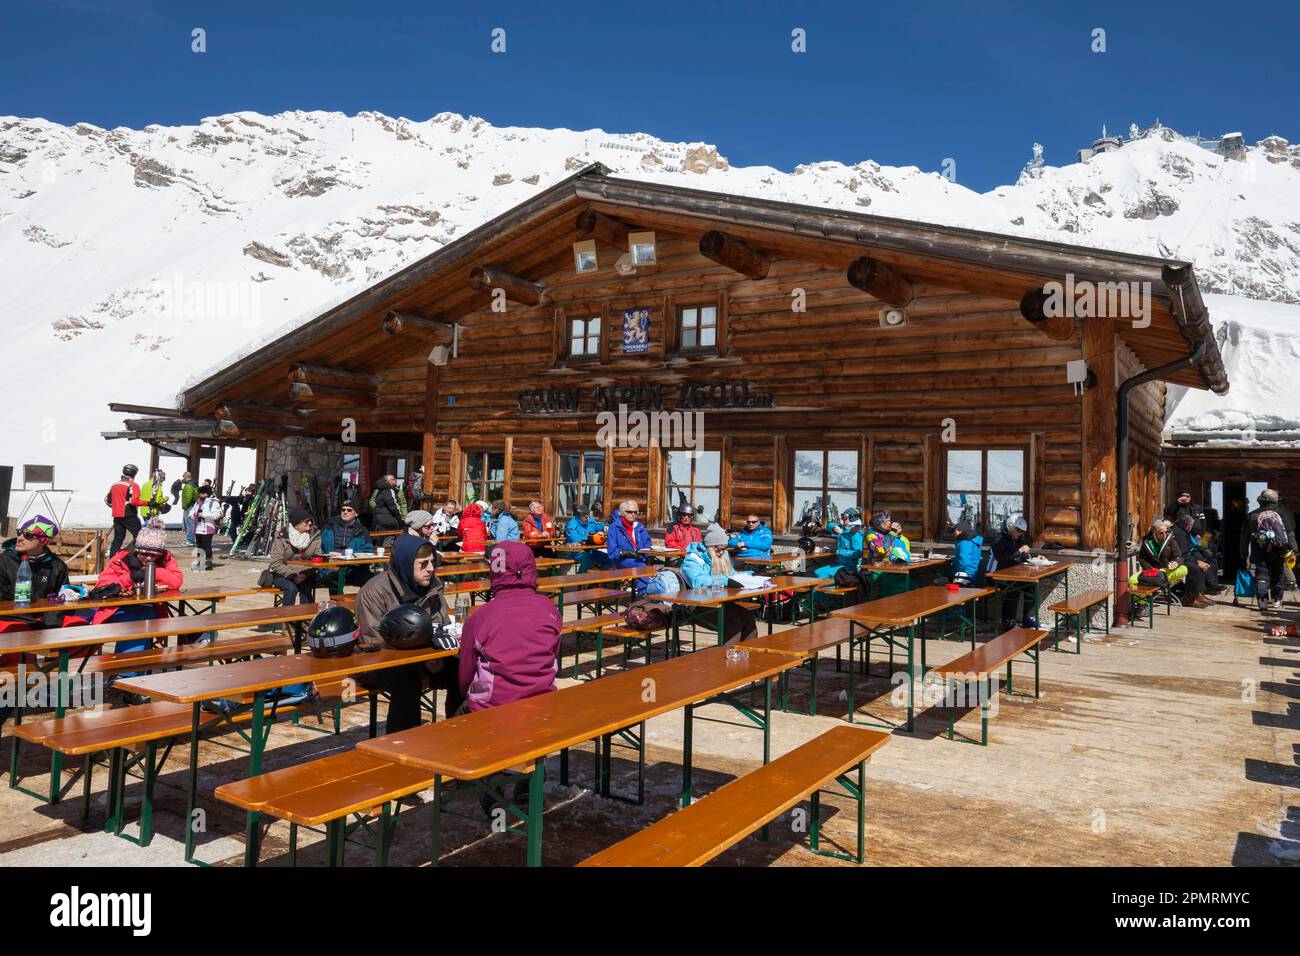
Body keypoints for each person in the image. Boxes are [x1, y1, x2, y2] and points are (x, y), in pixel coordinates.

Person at [355, 534, 462, 731]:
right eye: (423, 563)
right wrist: (422, 658)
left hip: (425, 658)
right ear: (405, 563)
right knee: (406, 678)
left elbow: (441, 624)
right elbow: (372, 642)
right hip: (378, 663)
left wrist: (436, 656)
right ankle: (402, 744)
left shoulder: (432, 587)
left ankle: (458, 733)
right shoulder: (374, 591)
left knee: (463, 669)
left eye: (433, 562)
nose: (430, 568)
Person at [458, 541, 562, 714]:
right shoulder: (550, 609)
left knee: (456, 711)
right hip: (543, 701)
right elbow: (553, 651)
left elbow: (465, 675)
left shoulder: (481, 617)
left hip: (493, 708)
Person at [680, 524, 758, 644]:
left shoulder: (720, 554)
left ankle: (750, 654)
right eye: (719, 549)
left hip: (716, 600)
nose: (722, 553)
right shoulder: (693, 559)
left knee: (747, 616)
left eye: (724, 549)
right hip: (696, 605)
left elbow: (731, 574)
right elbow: (698, 581)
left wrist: (750, 576)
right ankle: (726, 658)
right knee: (732, 620)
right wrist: (725, 581)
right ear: (710, 546)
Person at [0, 516, 70, 630]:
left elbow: (61, 601)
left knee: (78, 626)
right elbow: (2, 604)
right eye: (19, 533)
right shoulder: (4, 562)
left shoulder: (57, 566)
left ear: (44, 540)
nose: (20, 538)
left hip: (45, 621)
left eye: (28, 535)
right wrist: (33, 624)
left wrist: (48, 627)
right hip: (12, 620)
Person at [1240, 489, 1297, 611]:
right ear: (1275, 500)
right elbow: (1289, 533)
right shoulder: (1281, 514)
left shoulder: (1252, 515)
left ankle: (1262, 602)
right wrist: (1294, 549)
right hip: (1279, 549)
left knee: (1261, 575)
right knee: (1278, 574)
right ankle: (1276, 600)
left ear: (1260, 500)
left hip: (1259, 549)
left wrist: (1243, 553)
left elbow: (1245, 536)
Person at [1131, 518, 1199, 603]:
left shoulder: (1171, 541)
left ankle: (1161, 582)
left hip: (1167, 571)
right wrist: (1150, 569)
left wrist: (1176, 563)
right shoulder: (1147, 543)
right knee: (1132, 580)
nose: (1165, 535)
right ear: (1154, 533)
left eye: (1166, 532)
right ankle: (1142, 605)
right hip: (1152, 572)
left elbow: (1179, 556)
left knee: (1184, 568)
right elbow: (1142, 559)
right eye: (1161, 533)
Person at [266, 508, 322, 605]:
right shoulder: (282, 537)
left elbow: (317, 557)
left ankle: (306, 617)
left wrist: (306, 574)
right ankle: (288, 617)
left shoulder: (315, 535)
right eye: (306, 521)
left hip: (306, 573)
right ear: (296, 524)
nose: (309, 523)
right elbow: (275, 563)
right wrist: (294, 576)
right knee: (291, 588)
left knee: (306, 586)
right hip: (283, 573)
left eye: (310, 521)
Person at [990, 514, 1033, 628]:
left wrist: (1036, 558)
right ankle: (1008, 621)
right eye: (1018, 530)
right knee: (1013, 587)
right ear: (1010, 526)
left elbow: (1022, 556)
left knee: (1031, 585)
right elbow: (1003, 558)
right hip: (995, 575)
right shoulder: (998, 539)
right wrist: (1019, 551)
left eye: (1022, 532)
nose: (1020, 534)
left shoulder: (1017, 539)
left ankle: (1027, 618)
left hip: (1012, 574)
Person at [1170, 514, 1217, 605]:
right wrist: (1197, 562)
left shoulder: (1181, 531)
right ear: (1188, 526)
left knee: (1207, 562)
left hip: (1182, 558)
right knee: (1196, 568)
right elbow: (1182, 555)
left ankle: (1200, 593)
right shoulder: (1179, 534)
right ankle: (1191, 597)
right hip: (1175, 561)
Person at [606, 500, 652, 589]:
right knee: (641, 567)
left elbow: (648, 543)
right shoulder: (614, 528)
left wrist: (645, 554)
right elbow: (612, 553)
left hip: (640, 558)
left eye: (635, 512)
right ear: (622, 513)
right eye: (629, 512)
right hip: (622, 561)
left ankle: (662, 596)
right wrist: (625, 553)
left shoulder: (640, 527)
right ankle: (643, 594)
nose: (633, 514)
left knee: (662, 567)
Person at [813, 506, 864, 581]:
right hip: (840, 563)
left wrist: (839, 551)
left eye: (844, 517)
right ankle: (827, 590)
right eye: (842, 516)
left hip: (851, 566)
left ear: (851, 518)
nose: (842, 519)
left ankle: (825, 591)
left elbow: (858, 553)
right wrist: (834, 528)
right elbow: (829, 525)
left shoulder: (856, 533)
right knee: (817, 572)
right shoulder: (845, 527)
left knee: (822, 574)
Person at [105, 464, 145, 556]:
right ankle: (132, 555)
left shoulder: (115, 484)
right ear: (134, 473)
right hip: (129, 514)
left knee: (118, 539)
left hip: (117, 515)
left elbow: (107, 500)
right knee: (140, 537)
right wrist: (148, 503)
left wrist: (116, 506)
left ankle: (112, 560)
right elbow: (134, 501)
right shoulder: (133, 485)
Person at [188, 485, 224, 571]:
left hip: (207, 527)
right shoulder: (198, 502)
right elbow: (192, 511)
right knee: (199, 546)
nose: (200, 494)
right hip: (198, 527)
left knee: (206, 546)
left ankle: (208, 563)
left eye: (202, 493)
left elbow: (216, 515)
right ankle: (200, 562)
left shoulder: (213, 502)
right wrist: (192, 515)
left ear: (206, 493)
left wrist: (203, 515)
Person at [950, 520, 984, 586]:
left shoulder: (965, 541)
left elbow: (964, 562)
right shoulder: (972, 539)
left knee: (938, 582)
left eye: (955, 531)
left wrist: (956, 571)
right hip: (973, 573)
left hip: (965, 576)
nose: (953, 533)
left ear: (960, 531)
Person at [178, 474, 200, 546]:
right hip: (192, 506)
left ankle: (190, 541)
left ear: (185, 477)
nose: (182, 479)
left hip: (189, 507)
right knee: (191, 524)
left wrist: (185, 506)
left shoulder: (188, 486)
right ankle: (192, 539)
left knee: (189, 524)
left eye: (183, 477)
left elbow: (188, 498)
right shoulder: (194, 484)